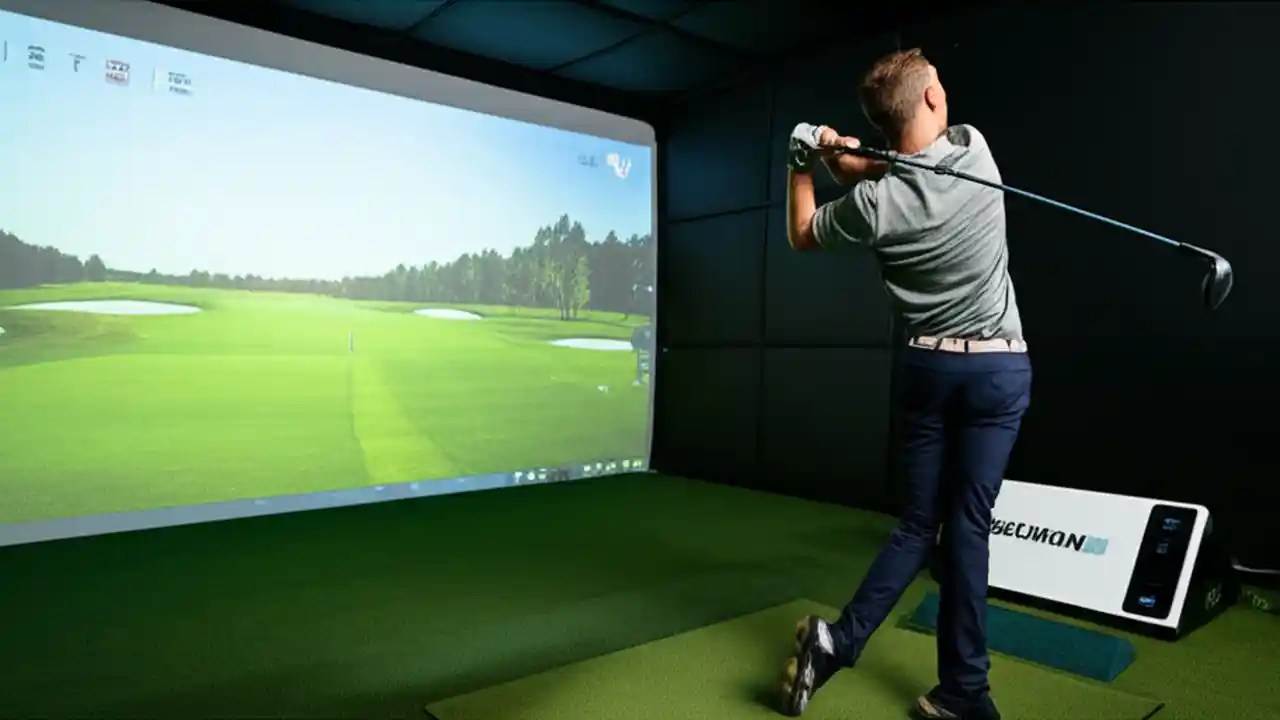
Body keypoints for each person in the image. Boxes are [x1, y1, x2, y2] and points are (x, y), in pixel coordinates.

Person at [779, 48, 1031, 720]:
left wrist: (804, 164)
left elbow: (804, 233)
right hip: (997, 370)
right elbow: (902, 161)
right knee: (968, 529)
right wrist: (848, 154)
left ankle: (838, 644)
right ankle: (963, 693)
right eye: (938, 85)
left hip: (928, 369)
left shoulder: (873, 205)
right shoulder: (975, 153)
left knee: (918, 525)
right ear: (928, 101)